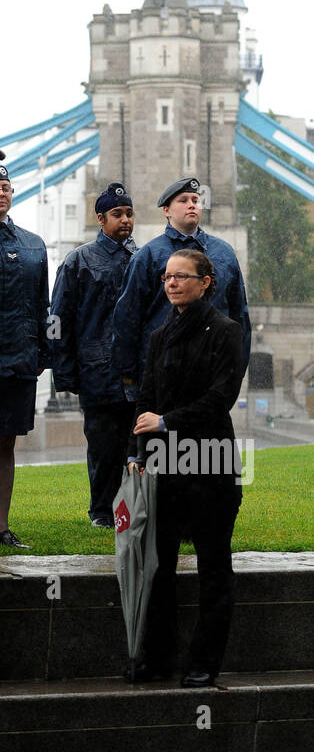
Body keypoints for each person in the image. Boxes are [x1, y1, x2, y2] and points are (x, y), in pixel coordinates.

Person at [126, 249, 244, 689]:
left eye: (181, 276)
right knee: (160, 566)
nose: (171, 283)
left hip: (211, 461)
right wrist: (138, 452)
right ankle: (157, 658)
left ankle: (204, 662)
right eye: (166, 277)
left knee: (214, 565)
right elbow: (146, 399)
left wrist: (166, 422)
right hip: (164, 464)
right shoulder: (159, 336)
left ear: (206, 281)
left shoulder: (226, 332)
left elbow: (221, 398)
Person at [111, 176, 250, 394]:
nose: (192, 204)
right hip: (163, 373)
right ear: (167, 210)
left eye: (196, 199)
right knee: (171, 428)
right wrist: (130, 380)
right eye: (183, 200)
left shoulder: (224, 253)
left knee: (210, 428)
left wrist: (237, 369)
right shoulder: (148, 256)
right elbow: (127, 319)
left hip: (213, 371)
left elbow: (239, 313)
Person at [50, 181, 137, 528]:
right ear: (100, 219)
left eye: (129, 213)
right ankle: (102, 512)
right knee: (102, 447)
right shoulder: (78, 261)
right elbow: (58, 320)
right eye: (117, 214)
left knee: (135, 444)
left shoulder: (143, 259)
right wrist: (65, 374)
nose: (125, 220)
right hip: (96, 373)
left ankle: (130, 511)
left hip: (134, 374)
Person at [0, 164, 50, 548]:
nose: (1, 192)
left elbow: (43, 307)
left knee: (6, 444)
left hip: (20, 361)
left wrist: (43, 355)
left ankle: (0, 526)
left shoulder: (34, 244)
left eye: (6, 187)